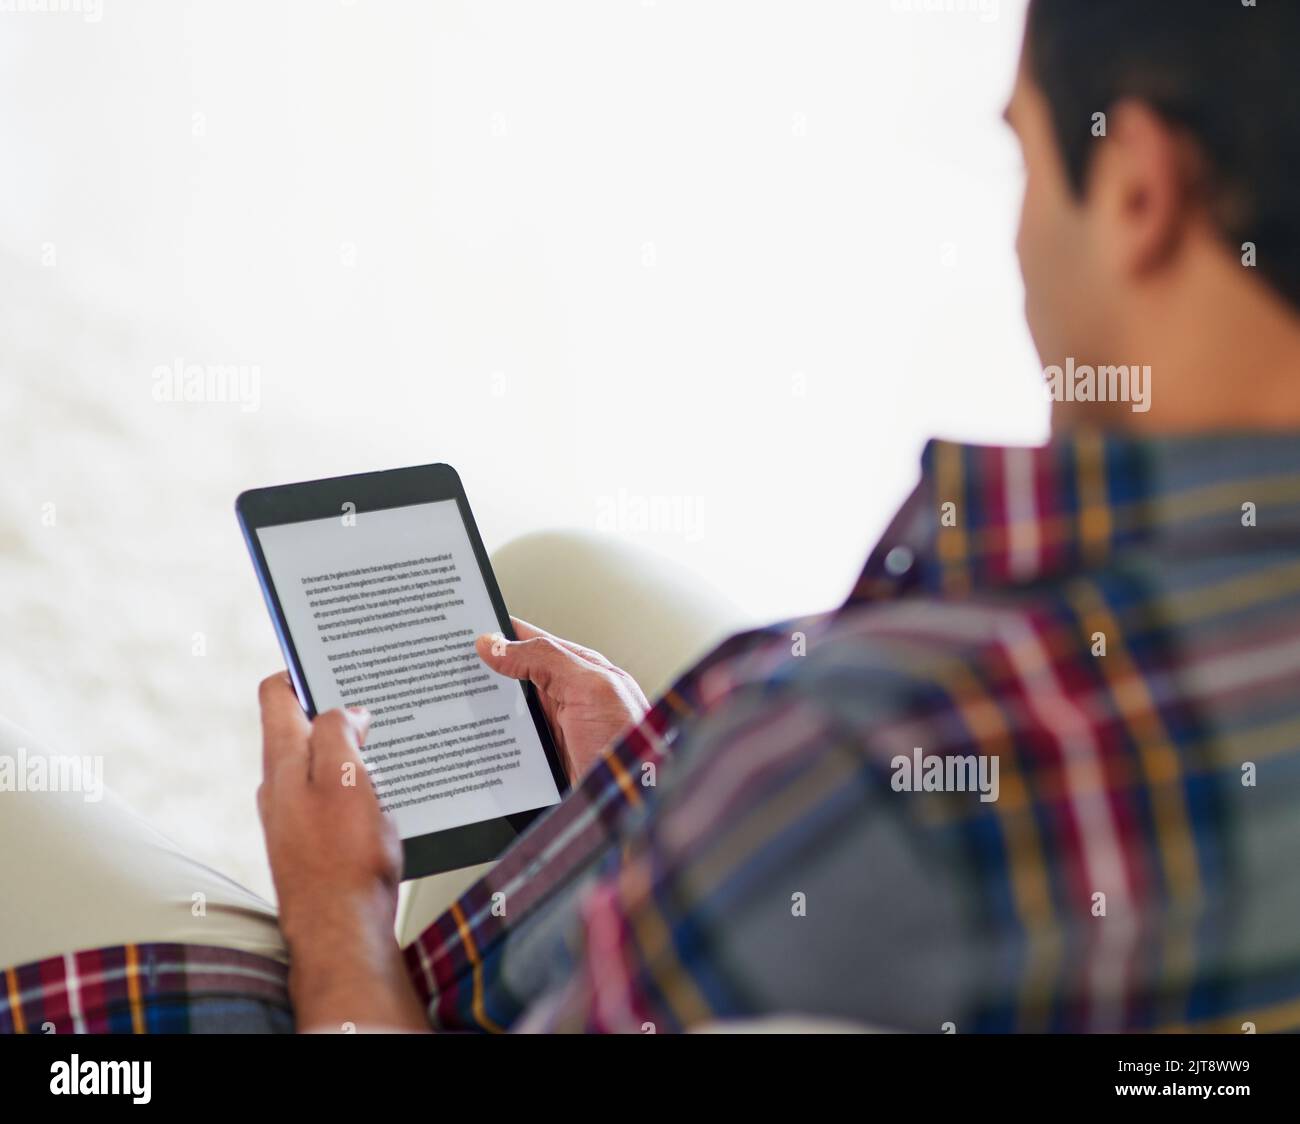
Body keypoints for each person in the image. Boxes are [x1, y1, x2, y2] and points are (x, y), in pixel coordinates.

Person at [5, 0, 1300, 1034]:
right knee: (565, 574)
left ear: (1136, 189)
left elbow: (855, 809)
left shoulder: (861, 765)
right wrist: (673, 784)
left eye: (1023, 152)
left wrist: (337, 919)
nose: (1020, 234)